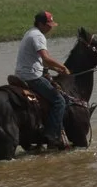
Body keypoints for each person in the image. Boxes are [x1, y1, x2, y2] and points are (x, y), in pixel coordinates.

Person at [12, 9, 75, 146]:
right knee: (59, 101)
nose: (50, 28)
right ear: (40, 24)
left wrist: (56, 69)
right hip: (32, 76)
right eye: (48, 25)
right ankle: (52, 134)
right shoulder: (38, 36)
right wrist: (63, 67)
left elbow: (42, 61)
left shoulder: (30, 33)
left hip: (23, 73)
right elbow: (46, 57)